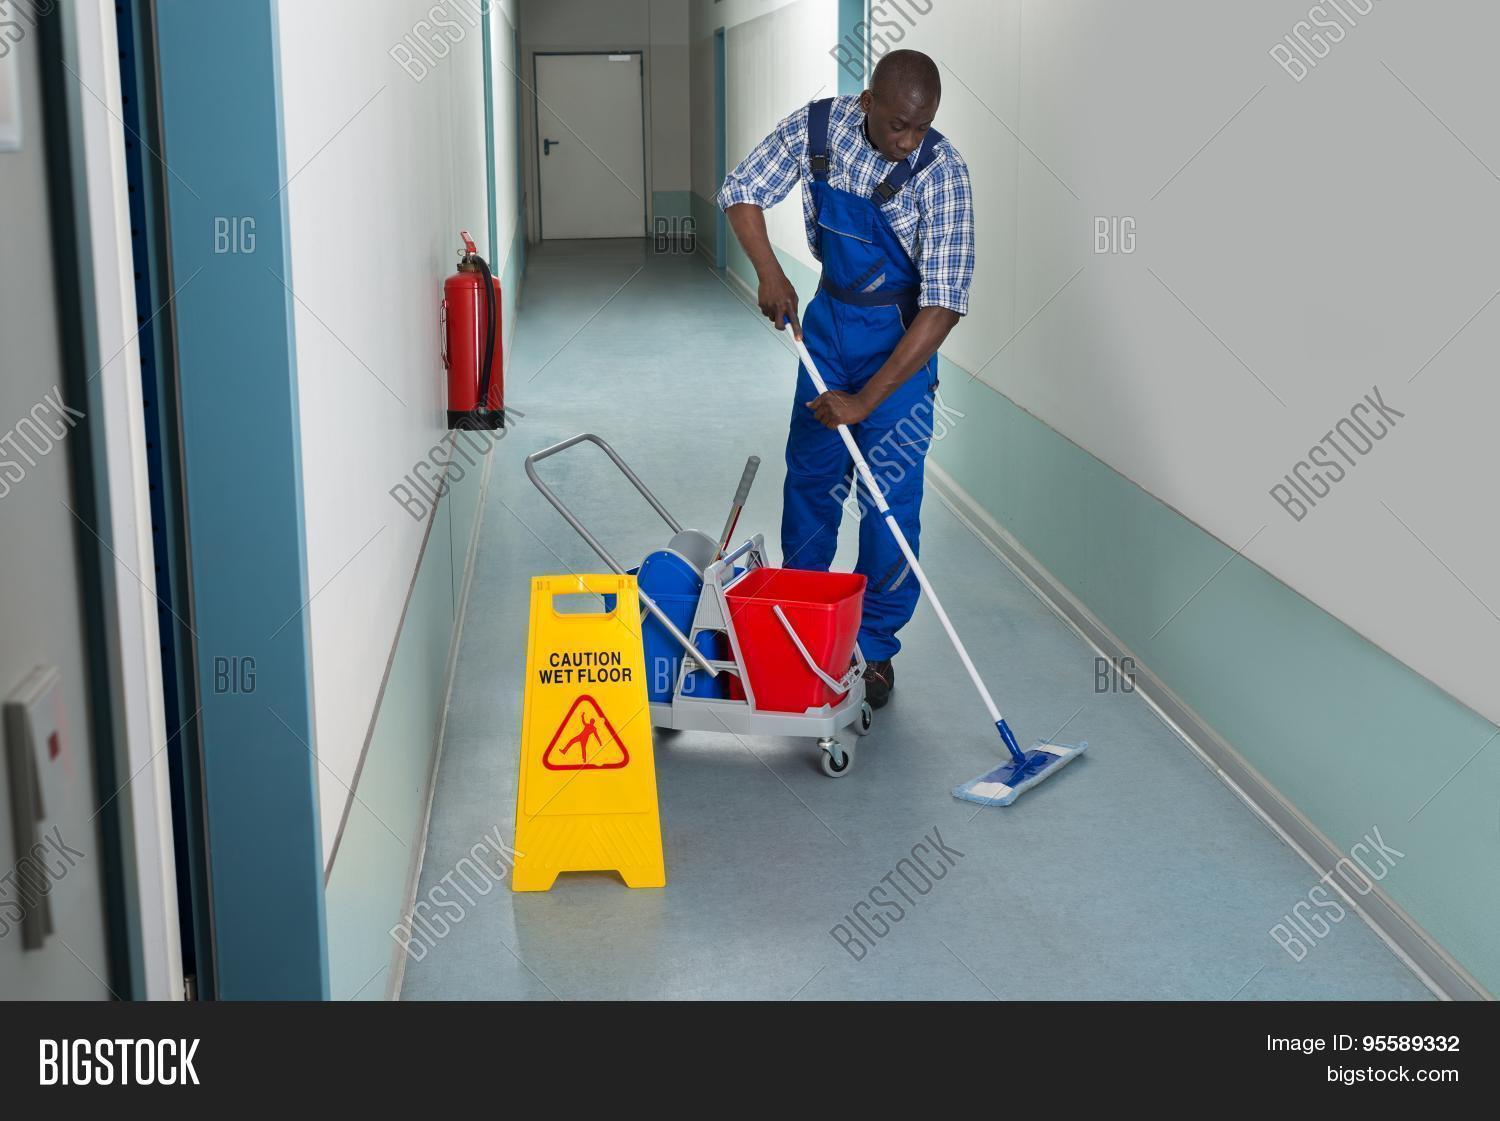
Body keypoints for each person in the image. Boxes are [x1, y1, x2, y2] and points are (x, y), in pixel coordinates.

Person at [717, 49, 974, 709]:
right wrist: (769, 272)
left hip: (902, 347)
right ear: (868, 104)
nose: (909, 141)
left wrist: (866, 399)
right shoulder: (818, 131)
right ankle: (804, 626)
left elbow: (942, 305)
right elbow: (741, 190)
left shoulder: (942, 174)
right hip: (829, 328)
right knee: (811, 481)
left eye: (921, 128)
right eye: (898, 127)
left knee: (889, 507)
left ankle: (875, 649)